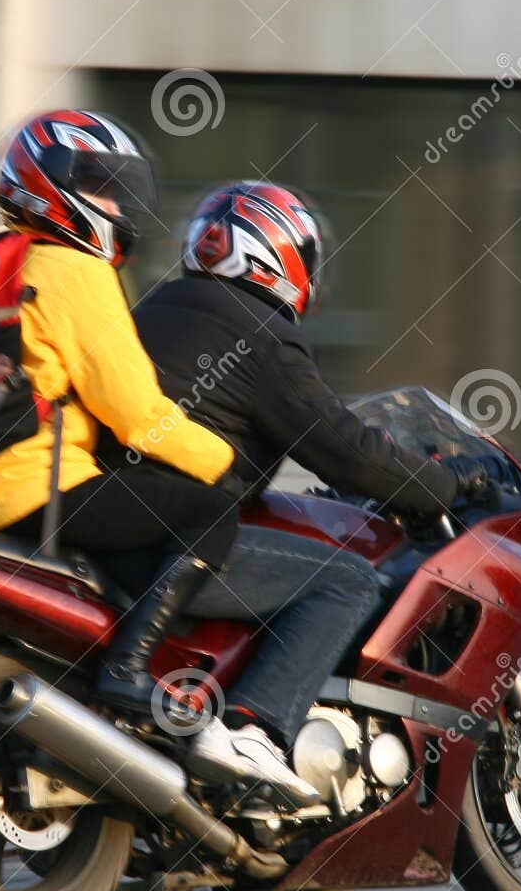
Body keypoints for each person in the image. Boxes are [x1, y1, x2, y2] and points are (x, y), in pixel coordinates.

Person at [130, 180, 490, 798]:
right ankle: (256, 730)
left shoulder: (155, 309)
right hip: (181, 535)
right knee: (345, 579)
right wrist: (441, 482)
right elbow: (346, 449)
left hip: (116, 513)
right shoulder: (260, 334)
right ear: (278, 255)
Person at [0, 110, 239, 716]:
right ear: (51, 185)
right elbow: (139, 416)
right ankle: (127, 670)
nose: (115, 206)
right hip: (30, 488)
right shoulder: (76, 270)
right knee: (209, 513)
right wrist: (221, 462)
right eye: (99, 186)